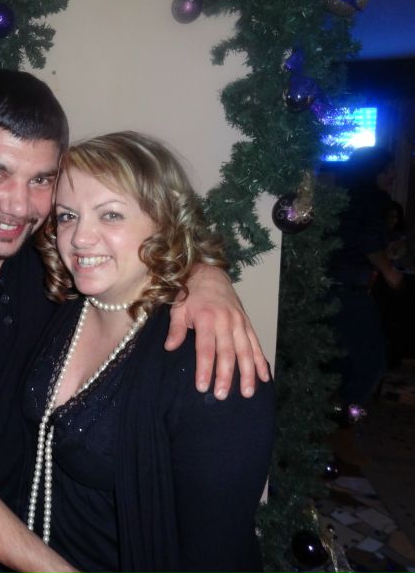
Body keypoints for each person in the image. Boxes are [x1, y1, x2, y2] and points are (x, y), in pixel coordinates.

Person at [0, 70, 271, 572]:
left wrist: (205, 276)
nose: (18, 207)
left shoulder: (47, 261)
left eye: (41, 180)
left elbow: (134, 241)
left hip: (37, 533)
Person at [22, 131, 275, 572]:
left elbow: (214, 555)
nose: (80, 238)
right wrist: (205, 272)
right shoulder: (60, 308)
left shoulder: (212, 365)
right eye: (67, 216)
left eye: (111, 215)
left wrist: (204, 272)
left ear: (164, 221)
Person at [328, 146, 402, 407]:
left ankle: (334, 416)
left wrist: (383, 254)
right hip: (351, 291)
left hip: (329, 287)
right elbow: (368, 241)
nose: (393, 175)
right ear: (376, 170)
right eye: (389, 169)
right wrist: (390, 272)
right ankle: (346, 418)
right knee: (372, 362)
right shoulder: (374, 198)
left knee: (341, 361)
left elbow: (351, 241)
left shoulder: (343, 195)